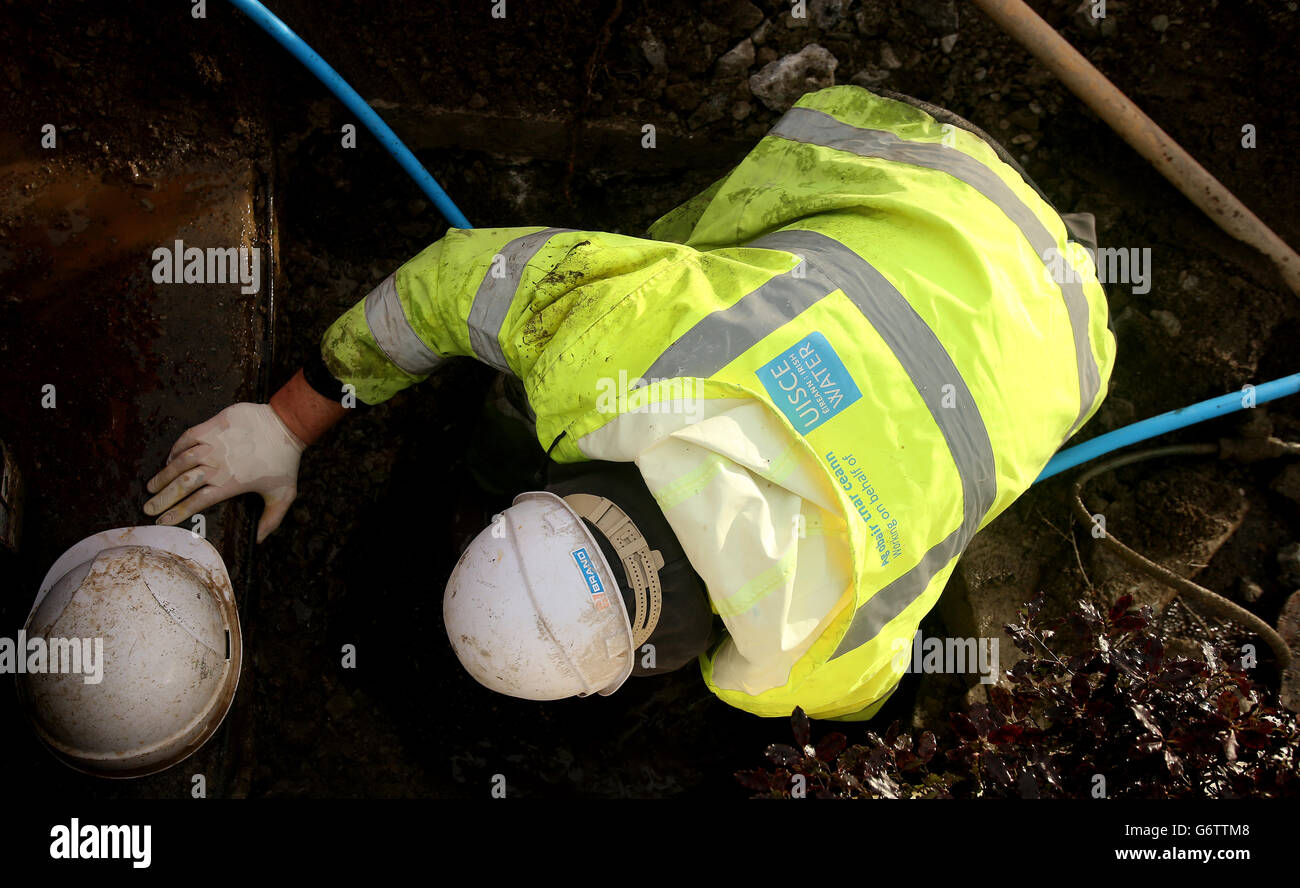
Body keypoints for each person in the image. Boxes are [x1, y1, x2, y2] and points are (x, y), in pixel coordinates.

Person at [142, 85, 1115, 720]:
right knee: (658, 273)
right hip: (988, 250)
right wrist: (285, 421)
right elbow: (451, 283)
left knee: (672, 264)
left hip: (1034, 300)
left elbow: (867, 693)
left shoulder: (832, 654)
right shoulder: (641, 337)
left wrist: (291, 422)